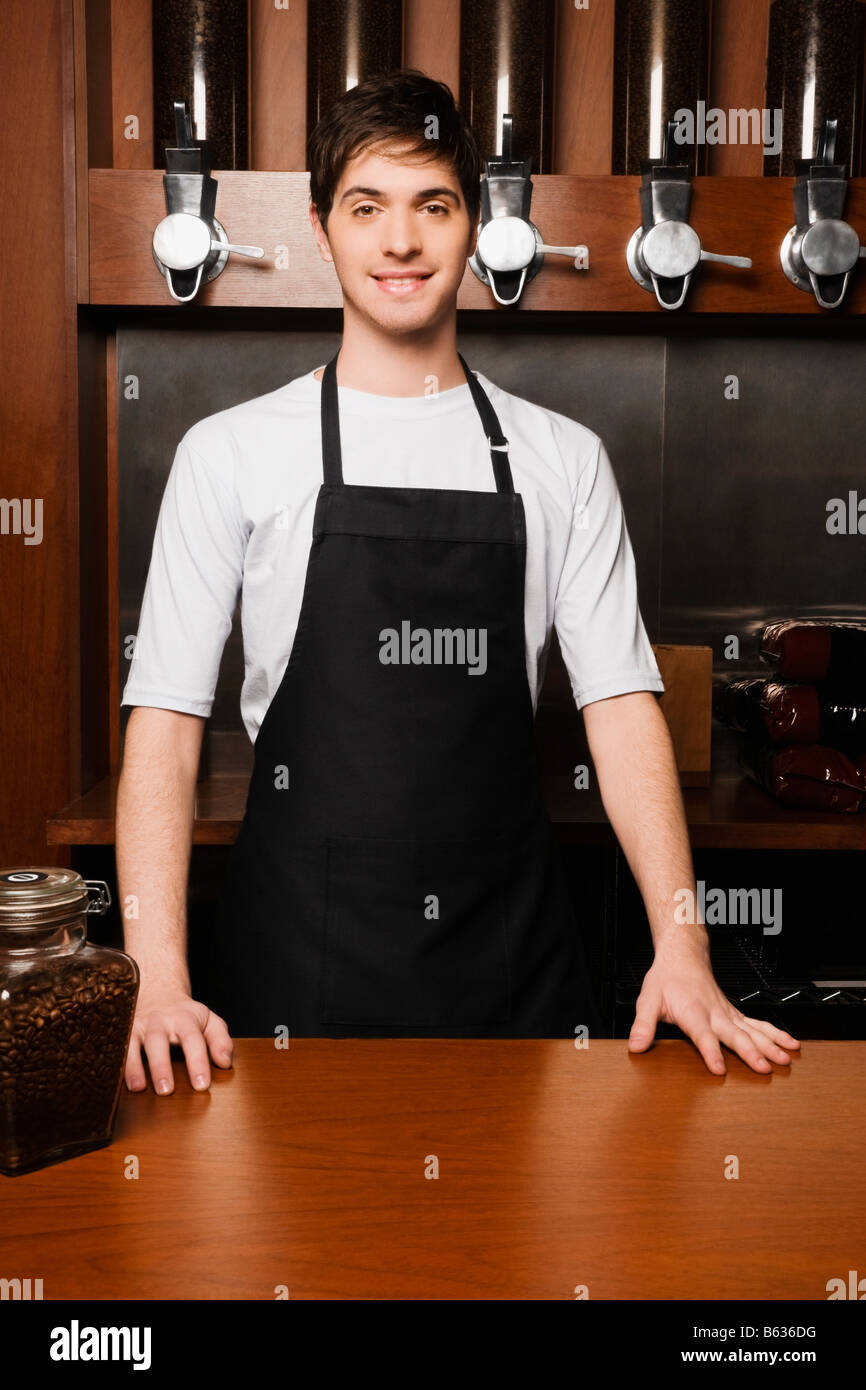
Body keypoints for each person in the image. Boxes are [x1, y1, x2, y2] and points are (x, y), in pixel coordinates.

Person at [117, 68, 799, 1095]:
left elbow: (620, 710)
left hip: (512, 965)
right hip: (292, 962)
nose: (400, 241)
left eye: (432, 205)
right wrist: (158, 979)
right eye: (366, 207)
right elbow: (165, 727)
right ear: (320, 228)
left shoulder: (562, 458)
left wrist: (682, 944)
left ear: (473, 223)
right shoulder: (230, 453)